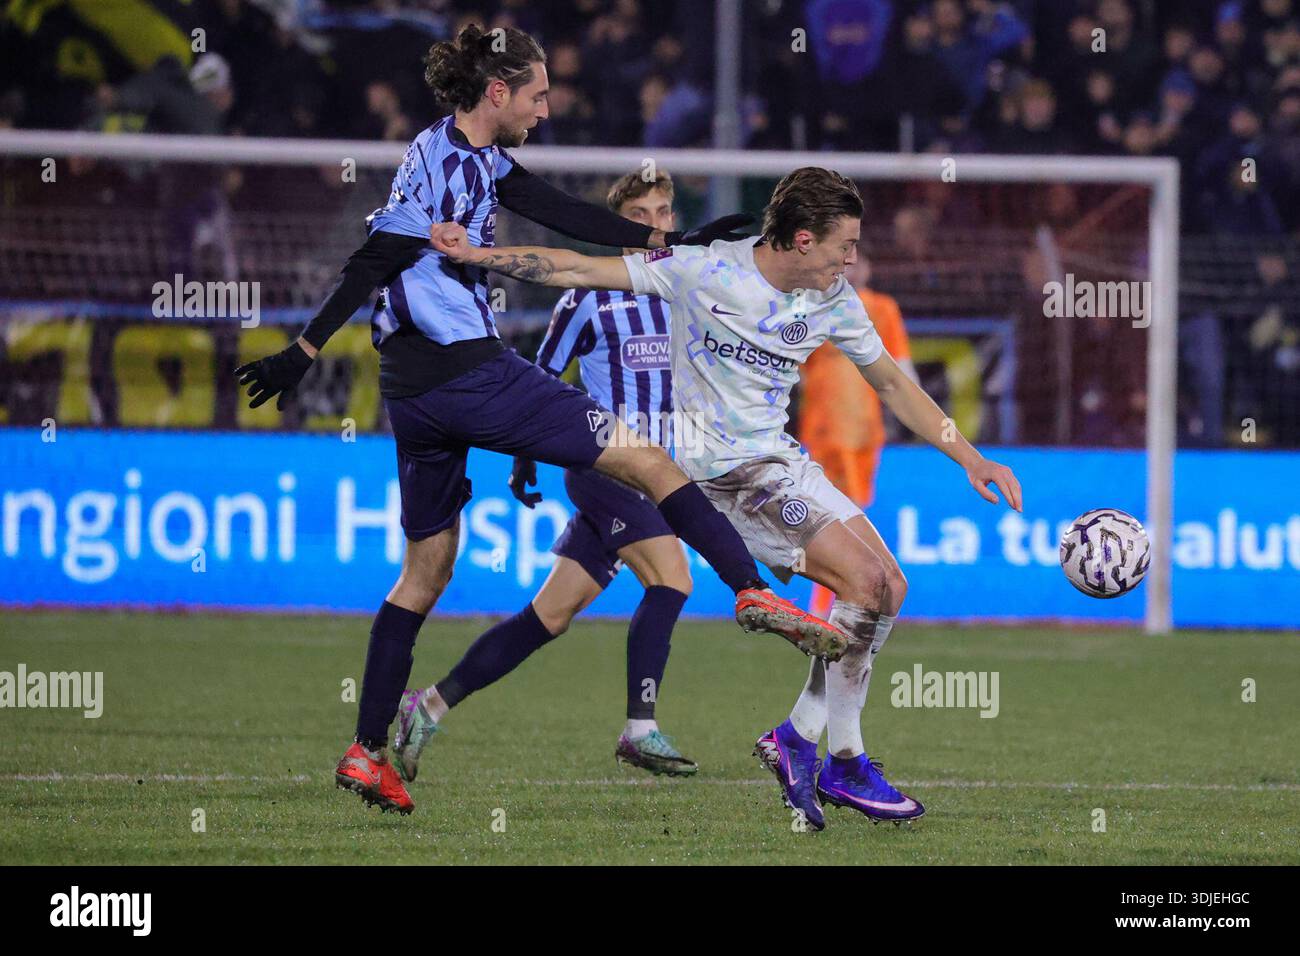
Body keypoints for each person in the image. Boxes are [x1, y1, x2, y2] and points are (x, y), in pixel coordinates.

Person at [235, 26, 846, 816]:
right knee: (649, 464)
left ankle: (365, 752)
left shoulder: (459, 157)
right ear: (497, 93)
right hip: (469, 373)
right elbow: (377, 257)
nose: (547, 107)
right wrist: (305, 345)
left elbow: (557, 211)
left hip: (412, 391)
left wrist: (668, 239)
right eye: (536, 94)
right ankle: (752, 591)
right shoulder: (449, 166)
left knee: (424, 574)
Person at [429, 166, 1023, 830]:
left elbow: (892, 384)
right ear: (802, 239)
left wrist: (970, 456)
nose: (852, 260)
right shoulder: (703, 271)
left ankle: (802, 738)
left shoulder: (830, 297)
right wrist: (476, 254)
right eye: (843, 245)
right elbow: (574, 269)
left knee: (892, 586)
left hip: (782, 461)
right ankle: (844, 760)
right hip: (722, 479)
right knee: (862, 582)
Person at [392, 168, 699, 781]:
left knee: (547, 618)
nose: (656, 223)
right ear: (619, 226)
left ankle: (425, 705)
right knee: (673, 579)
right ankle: (640, 728)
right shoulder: (587, 300)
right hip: (605, 470)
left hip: (657, 475)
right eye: (641, 214)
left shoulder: (685, 290)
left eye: (664, 211)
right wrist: (523, 458)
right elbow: (540, 380)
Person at [798, 248, 917, 617]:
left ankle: (841, 601)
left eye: (855, 259)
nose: (849, 267)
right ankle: (830, 605)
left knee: (848, 519)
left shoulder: (882, 309)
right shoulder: (812, 308)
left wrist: (919, 417)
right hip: (823, 434)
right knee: (832, 520)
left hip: (864, 435)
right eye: (842, 260)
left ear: (868, 266)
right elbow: (798, 370)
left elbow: (901, 368)